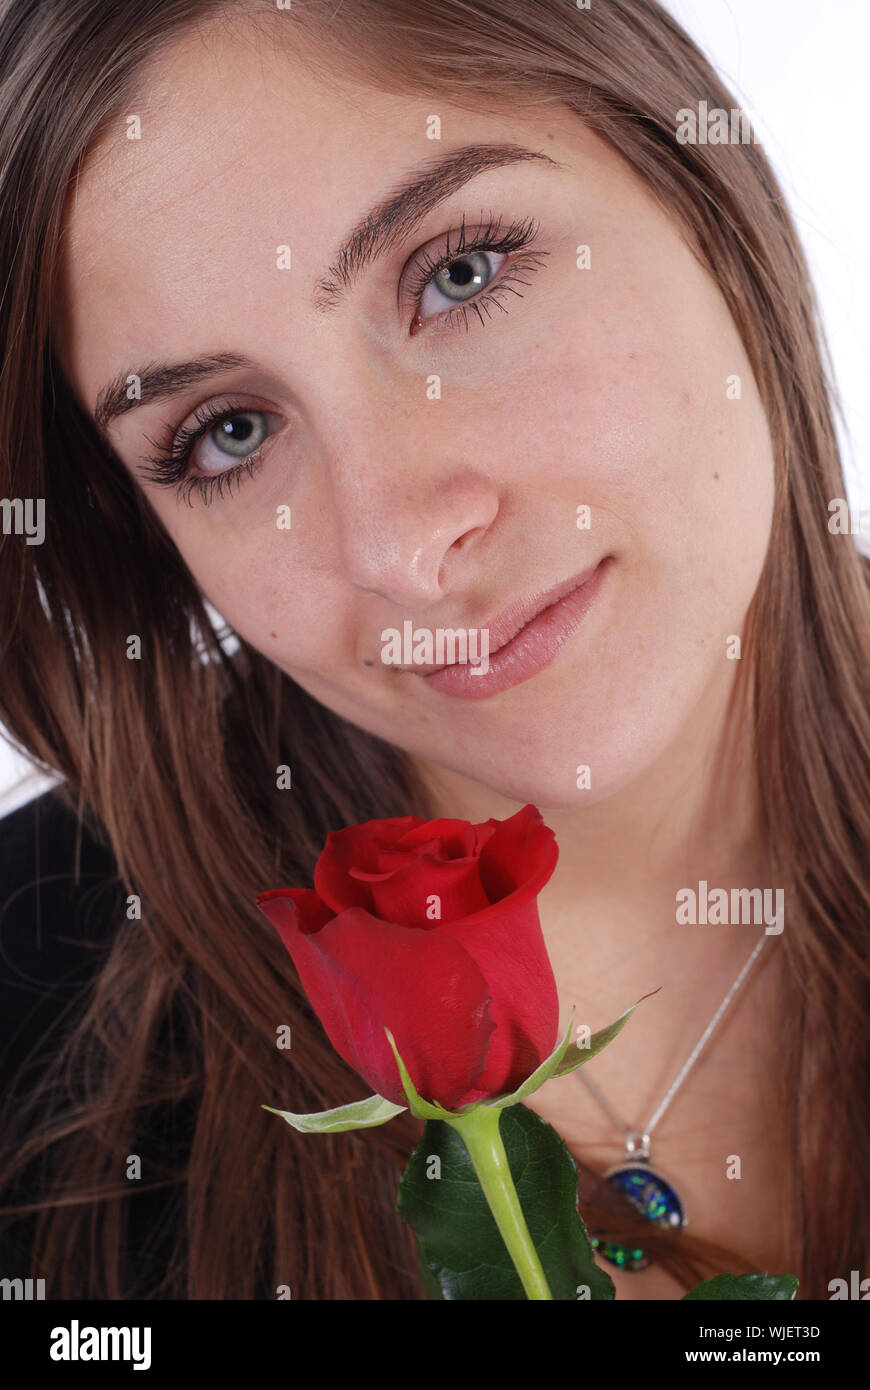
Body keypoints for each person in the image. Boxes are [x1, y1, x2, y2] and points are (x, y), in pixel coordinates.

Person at [0, 0, 867, 1302]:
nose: (399, 546)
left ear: (696, 186)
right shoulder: (30, 1018)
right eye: (228, 432)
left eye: (458, 275)